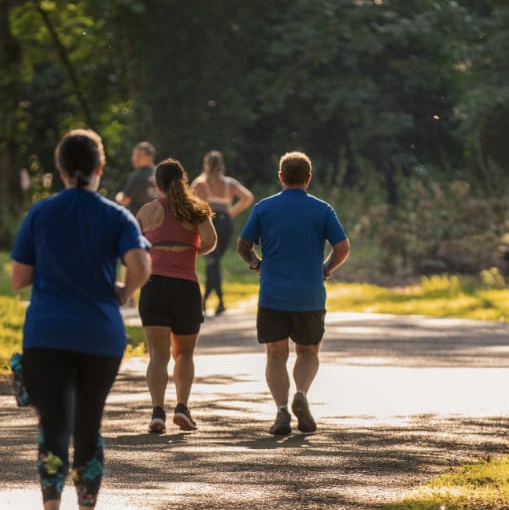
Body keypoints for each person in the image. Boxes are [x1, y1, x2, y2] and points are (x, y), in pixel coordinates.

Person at [11, 129, 150, 510]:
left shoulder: (41, 213)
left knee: (54, 429)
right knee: (89, 427)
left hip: (47, 334)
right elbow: (142, 265)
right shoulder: (116, 216)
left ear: (60, 168)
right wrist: (125, 292)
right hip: (100, 336)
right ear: (99, 168)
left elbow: (18, 277)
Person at [235, 151, 350, 437]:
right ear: (308, 178)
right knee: (308, 351)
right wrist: (326, 268)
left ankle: (282, 411)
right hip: (309, 294)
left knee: (275, 354)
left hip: (273, 294)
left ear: (281, 177)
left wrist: (256, 265)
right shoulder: (323, 209)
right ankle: (301, 392)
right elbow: (343, 247)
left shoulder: (263, 208)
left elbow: (243, 245)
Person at [136, 159, 217, 433]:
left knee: (157, 355)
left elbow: (134, 246)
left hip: (154, 287)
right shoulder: (196, 210)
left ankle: (157, 412)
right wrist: (188, 250)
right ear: (183, 180)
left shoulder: (147, 211)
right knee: (184, 354)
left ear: (157, 184)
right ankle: (182, 407)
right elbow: (210, 241)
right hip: (185, 289)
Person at [190, 151, 255, 316]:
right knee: (215, 261)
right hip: (226, 223)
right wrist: (232, 211)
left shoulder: (200, 183)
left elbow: (189, 201)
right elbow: (248, 197)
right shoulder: (229, 183)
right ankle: (216, 302)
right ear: (221, 165)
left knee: (212, 261)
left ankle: (208, 302)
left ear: (206, 164)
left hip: (209, 222)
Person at [115, 140, 157, 214]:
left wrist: (119, 195)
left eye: (139, 156)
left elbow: (124, 201)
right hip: (156, 220)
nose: (135, 159)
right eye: (134, 155)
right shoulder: (159, 175)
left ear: (150, 158)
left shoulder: (137, 177)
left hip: (137, 221)